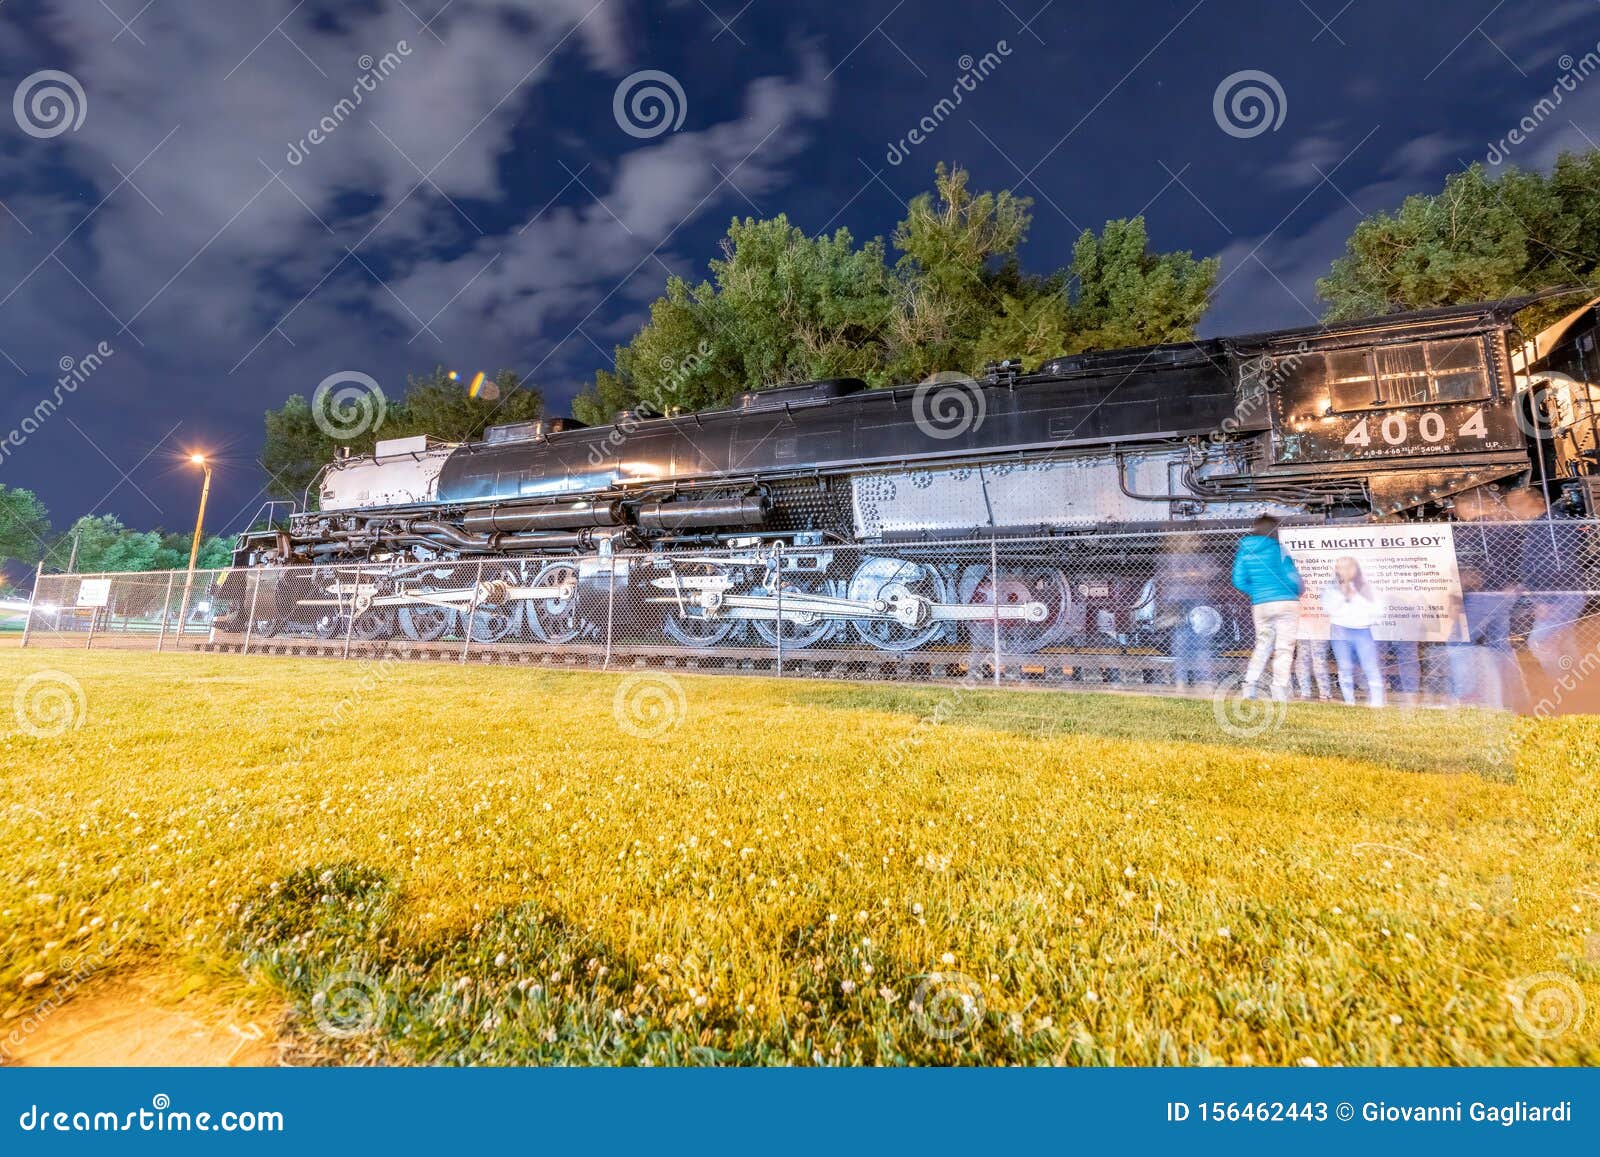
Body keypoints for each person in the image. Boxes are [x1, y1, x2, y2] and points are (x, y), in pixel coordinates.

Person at [1231, 515, 1303, 701]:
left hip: (1261, 604)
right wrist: (1296, 591)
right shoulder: (1279, 549)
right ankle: (1279, 690)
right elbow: (1291, 577)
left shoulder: (1245, 550)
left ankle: (1250, 687)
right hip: (1287, 602)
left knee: (1262, 645)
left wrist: (1256, 592)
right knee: (1284, 649)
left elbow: (1238, 580)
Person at [1158, 534, 1223, 690]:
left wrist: (1185, 576)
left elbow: (1212, 572)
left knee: (1200, 644)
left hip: (1193, 599)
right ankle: (1184, 679)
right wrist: (1194, 575)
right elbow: (1166, 575)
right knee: (1184, 644)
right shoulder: (1174, 557)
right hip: (1181, 602)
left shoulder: (1200, 557)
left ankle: (1201, 679)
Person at [1322, 556, 1385, 707]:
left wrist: (1356, 597)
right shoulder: (1331, 587)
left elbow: (1377, 610)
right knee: (1344, 667)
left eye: (1347, 567)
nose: (1343, 570)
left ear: (1355, 568)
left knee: (1370, 666)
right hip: (1340, 631)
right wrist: (1343, 592)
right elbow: (1329, 608)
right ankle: (1349, 701)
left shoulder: (1365, 586)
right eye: (1339, 567)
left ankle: (1377, 702)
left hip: (1362, 632)